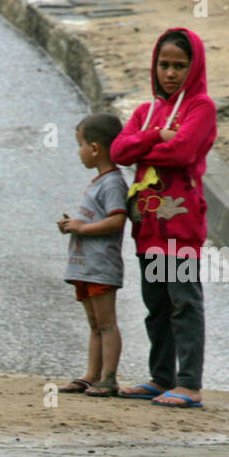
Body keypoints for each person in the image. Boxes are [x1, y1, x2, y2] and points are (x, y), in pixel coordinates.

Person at [110, 27, 216, 408]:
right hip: (149, 227)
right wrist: (157, 135)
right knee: (156, 305)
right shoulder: (146, 111)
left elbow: (184, 153)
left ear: (195, 67)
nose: (170, 73)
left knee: (184, 302)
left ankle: (189, 384)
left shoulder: (201, 107)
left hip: (182, 227)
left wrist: (145, 147)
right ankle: (161, 378)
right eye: (164, 65)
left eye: (180, 66)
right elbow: (120, 150)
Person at [56, 112, 128, 398]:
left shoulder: (112, 183)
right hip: (86, 267)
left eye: (80, 144)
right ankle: (91, 374)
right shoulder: (100, 182)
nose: (79, 152)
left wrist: (82, 227)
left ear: (95, 148)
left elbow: (117, 219)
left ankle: (109, 378)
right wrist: (74, 225)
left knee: (106, 323)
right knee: (95, 324)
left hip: (100, 266)